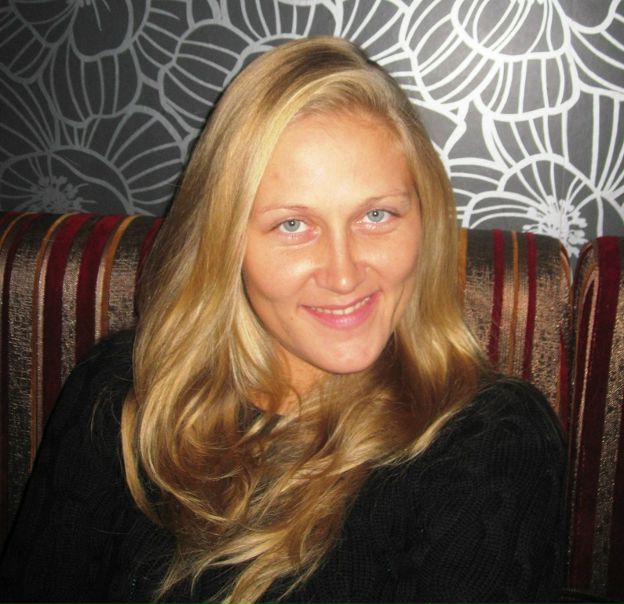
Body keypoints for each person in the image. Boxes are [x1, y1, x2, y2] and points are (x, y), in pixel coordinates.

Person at [0, 37, 565, 603]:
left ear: (427, 222)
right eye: (293, 225)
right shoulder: (123, 395)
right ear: (223, 242)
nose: (343, 275)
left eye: (376, 215)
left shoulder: (489, 444)